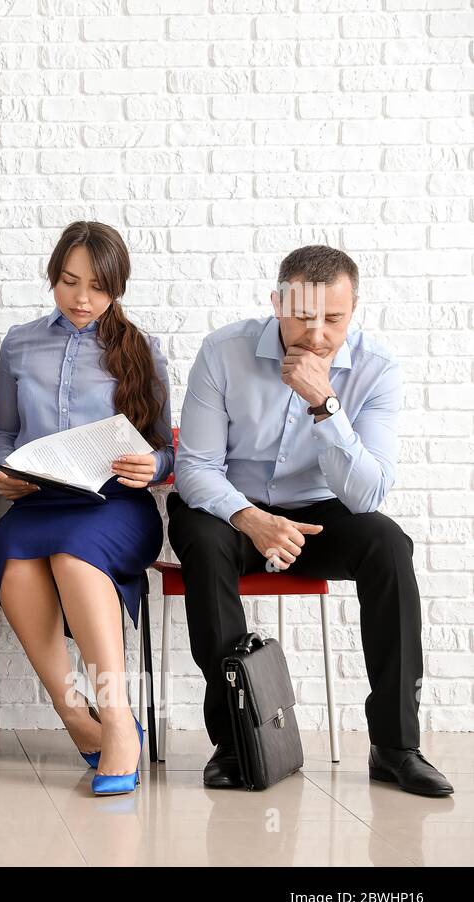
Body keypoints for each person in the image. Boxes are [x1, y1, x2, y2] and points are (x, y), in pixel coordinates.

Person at [169, 244, 453, 797]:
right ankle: (236, 741)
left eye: (333, 319)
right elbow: (196, 468)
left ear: (354, 311)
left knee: (389, 545)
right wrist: (251, 519)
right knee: (202, 540)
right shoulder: (223, 352)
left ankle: (396, 746)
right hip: (231, 509)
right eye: (302, 316)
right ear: (277, 304)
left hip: (322, 515)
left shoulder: (376, 370)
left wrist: (327, 408)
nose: (317, 335)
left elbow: (367, 494)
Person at [0, 221, 172, 796]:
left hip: (115, 504)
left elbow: (168, 447)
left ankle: (116, 720)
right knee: (15, 568)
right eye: (69, 282)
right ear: (53, 276)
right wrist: (4, 472)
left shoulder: (142, 349)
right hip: (41, 500)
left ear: (117, 288)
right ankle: (74, 714)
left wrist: (156, 466)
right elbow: (3, 434)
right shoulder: (19, 342)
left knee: (74, 560)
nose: (82, 299)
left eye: (98, 287)